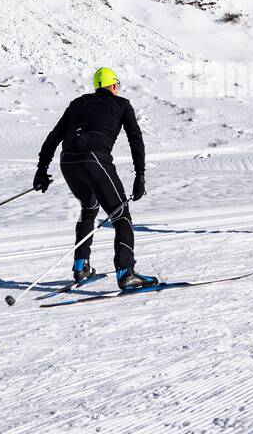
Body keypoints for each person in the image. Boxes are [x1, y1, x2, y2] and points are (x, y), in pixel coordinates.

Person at [34, 67, 159, 290]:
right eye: (117, 85)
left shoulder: (78, 103)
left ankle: (81, 265)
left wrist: (42, 170)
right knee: (121, 215)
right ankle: (126, 272)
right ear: (113, 86)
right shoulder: (122, 105)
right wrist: (140, 175)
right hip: (94, 160)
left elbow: (54, 136)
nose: (118, 89)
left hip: (68, 161)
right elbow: (136, 141)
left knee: (89, 207)